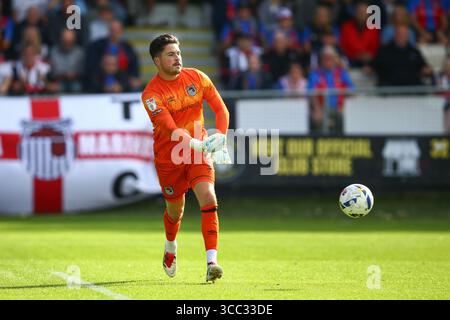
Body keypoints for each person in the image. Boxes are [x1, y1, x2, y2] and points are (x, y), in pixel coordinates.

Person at [141, 34, 230, 283]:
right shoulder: (151, 94)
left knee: (208, 197)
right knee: (175, 209)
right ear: (157, 60)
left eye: (178, 53)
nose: (177, 57)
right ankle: (170, 246)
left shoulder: (198, 78)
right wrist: (194, 142)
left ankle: (212, 262)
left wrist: (220, 135)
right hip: (169, 157)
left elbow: (220, 108)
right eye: (171, 54)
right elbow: (169, 128)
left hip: (197, 151)